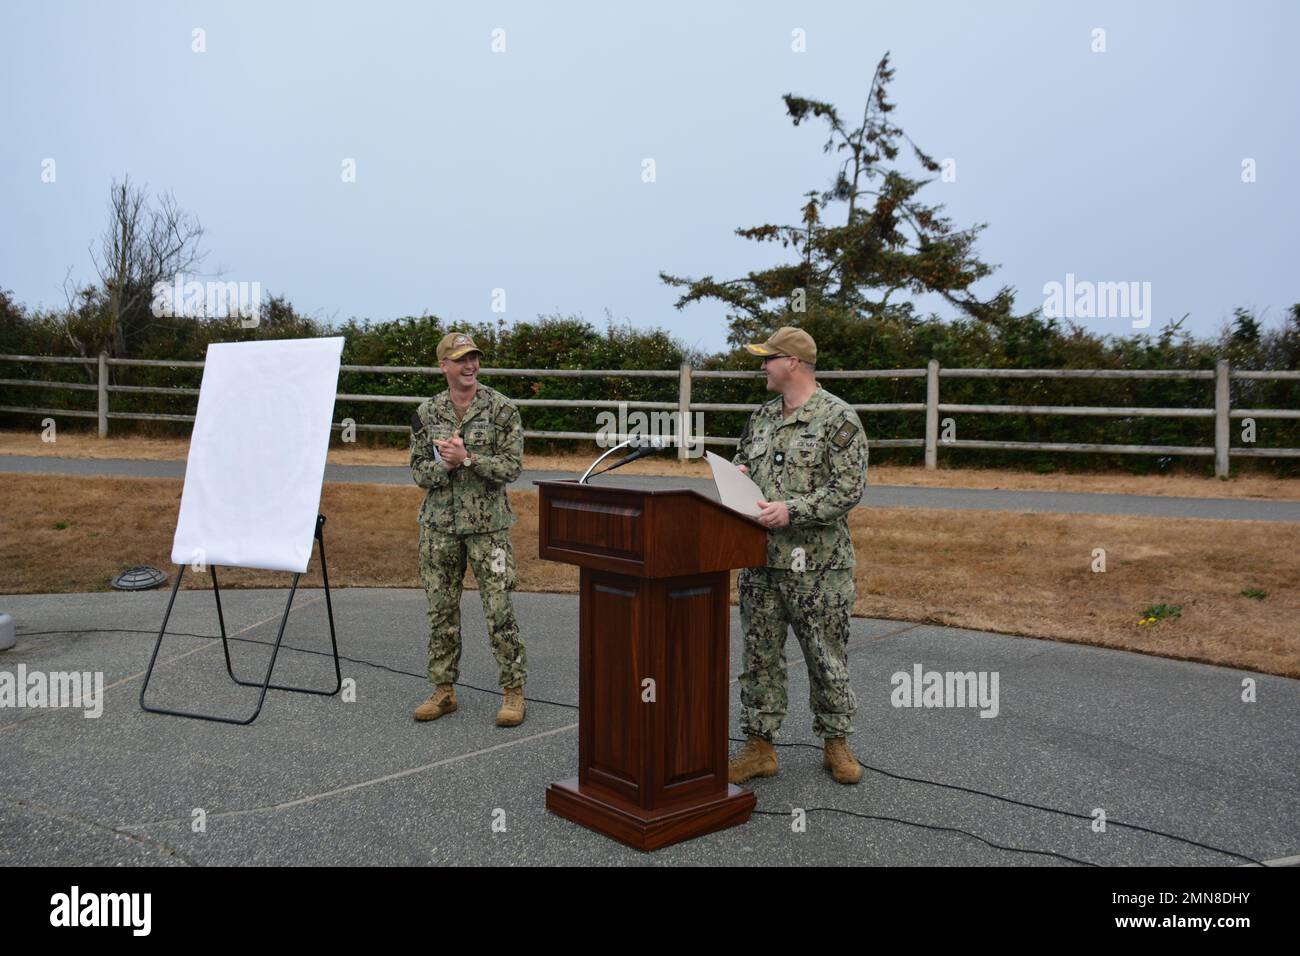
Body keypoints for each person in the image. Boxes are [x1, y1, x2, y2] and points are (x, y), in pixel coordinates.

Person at [727, 326, 869, 785]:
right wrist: (739, 474)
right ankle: (759, 746)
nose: (761, 366)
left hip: (819, 567)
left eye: (767, 359)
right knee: (759, 656)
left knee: (825, 656)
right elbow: (743, 461)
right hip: (761, 561)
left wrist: (794, 510)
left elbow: (848, 489)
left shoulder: (838, 418)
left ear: (792, 362)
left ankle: (836, 743)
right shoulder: (761, 417)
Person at [409, 331, 527, 727]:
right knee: (441, 611)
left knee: (499, 610)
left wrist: (468, 458)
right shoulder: (427, 414)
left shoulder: (502, 410)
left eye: (473, 358)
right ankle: (443, 691)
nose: (470, 366)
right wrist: (443, 465)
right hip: (439, 528)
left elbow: (511, 468)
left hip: (489, 528)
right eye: (461, 360)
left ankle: (513, 692)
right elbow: (418, 472)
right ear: (444, 366)